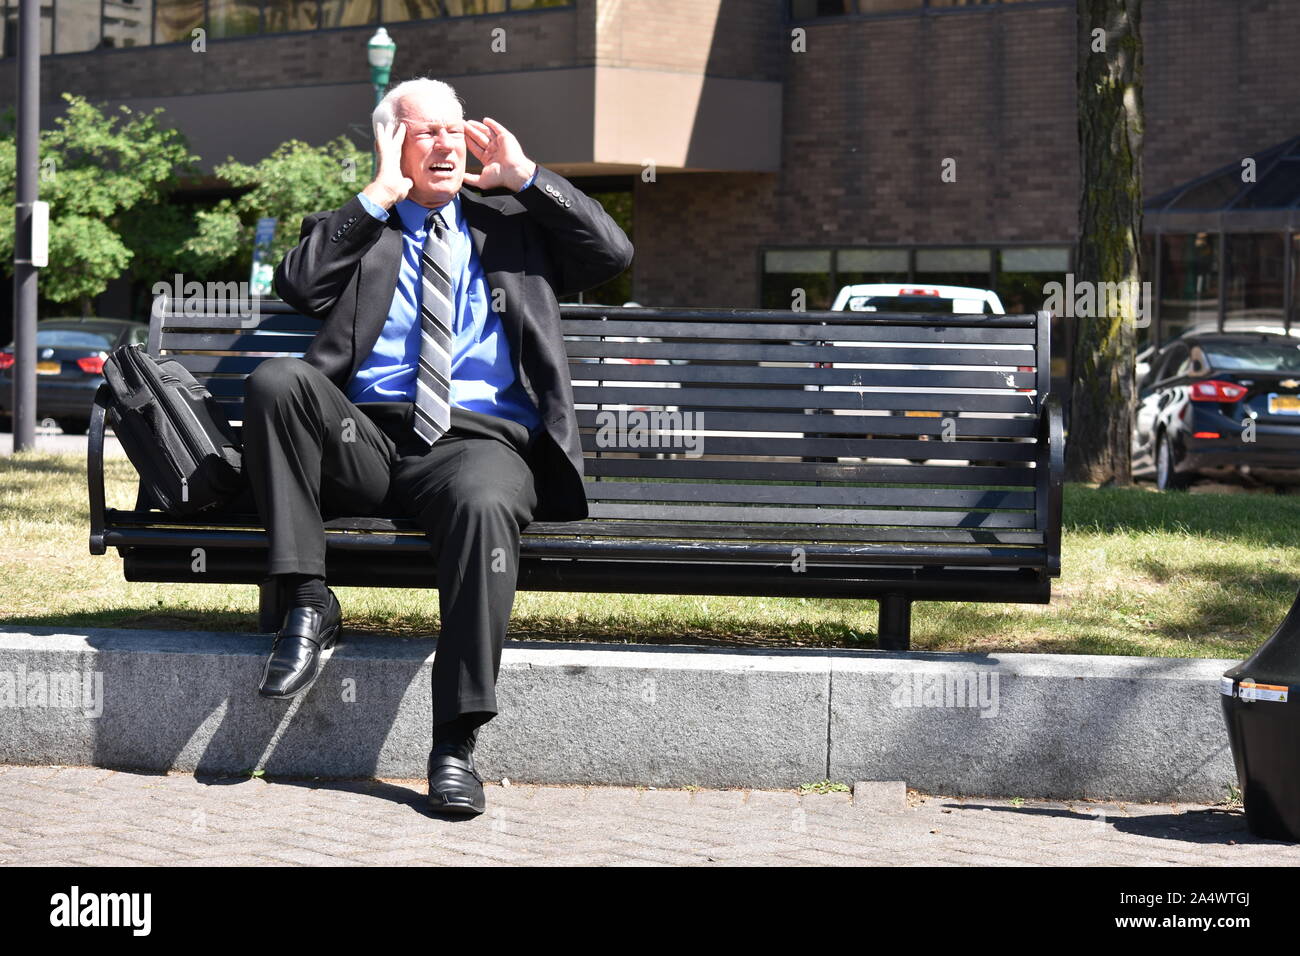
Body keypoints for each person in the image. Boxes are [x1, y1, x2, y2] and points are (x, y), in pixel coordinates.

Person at [244, 76, 633, 815]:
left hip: (480, 445)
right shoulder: (368, 225)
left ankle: (454, 743)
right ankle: (307, 600)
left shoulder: (512, 222)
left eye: (454, 129)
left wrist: (524, 176)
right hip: (369, 442)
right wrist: (377, 195)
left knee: (486, 505)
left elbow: (612, 254)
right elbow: (299, 287)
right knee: (275, 382)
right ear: (393, 143)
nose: (446, 143)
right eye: (425, 132)